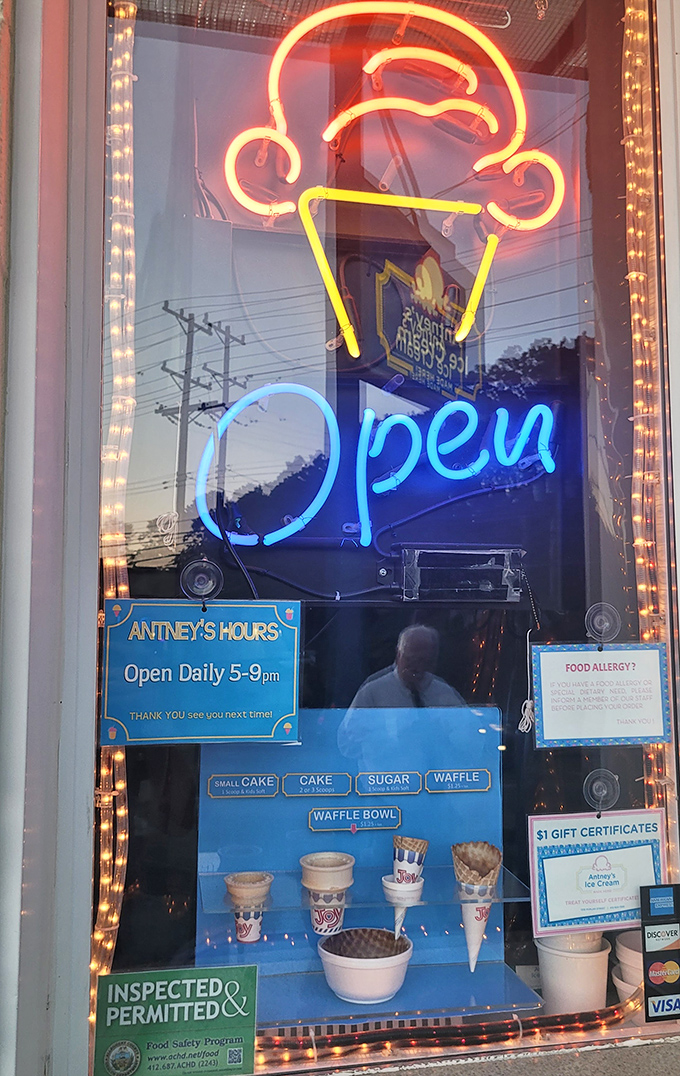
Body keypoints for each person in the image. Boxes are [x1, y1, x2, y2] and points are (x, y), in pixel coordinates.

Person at [337, 625, 465, 768]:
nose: (417, 667)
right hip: (388, 784)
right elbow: (346, 745)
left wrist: (446, 734)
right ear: (399, 655)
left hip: (435, 784)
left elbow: (473, 739)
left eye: (424, 661)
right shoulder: (372, 691)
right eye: (411, 659)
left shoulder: (444, 693)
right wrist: (392, 740)